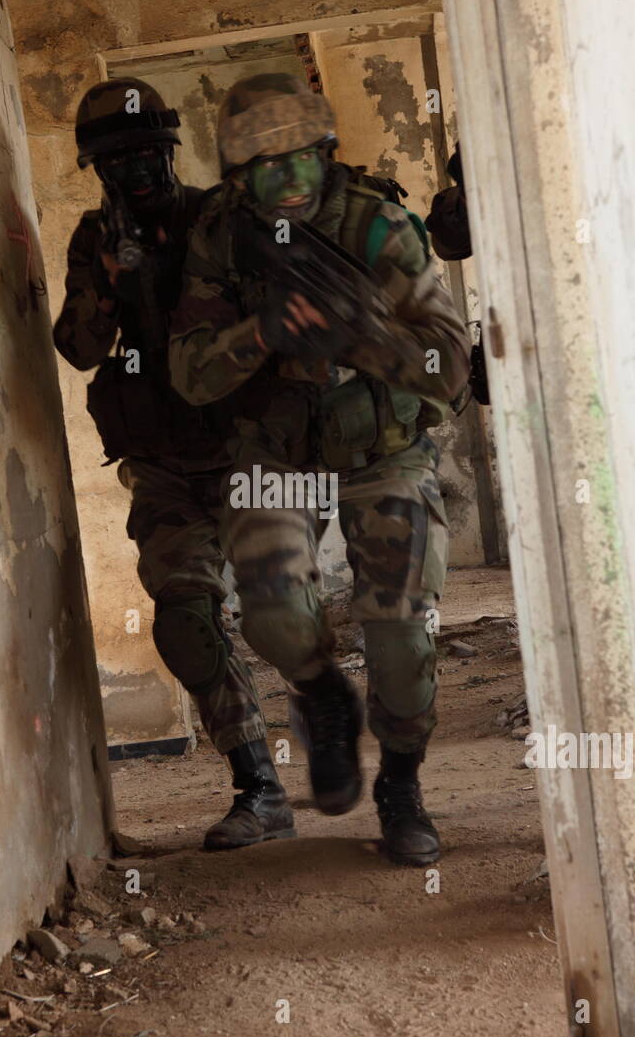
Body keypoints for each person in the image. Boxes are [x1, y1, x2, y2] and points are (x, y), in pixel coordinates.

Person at [169, 73, 471, 865]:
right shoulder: (222, 237)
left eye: (304, 163)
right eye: (269, 172)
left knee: (403, 643)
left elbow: (446, 370)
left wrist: (358, 338)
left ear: (329, 156)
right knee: (273, 617)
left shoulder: (378, 227)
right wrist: (262, 334)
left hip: (383, 453)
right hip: (277, 455)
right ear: (240, 178)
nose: (291, 185)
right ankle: (322, 695)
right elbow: (190, 374)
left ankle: (401, 785)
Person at [53, 78, 294, 852]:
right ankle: (259, 787)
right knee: (185, 620)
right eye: (119, 160)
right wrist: (113, 291)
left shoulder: (220, 219)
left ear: (171, 148)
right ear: (98, 169)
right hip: (164, 463)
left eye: (149, 153)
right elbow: (78, 349)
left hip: (247, 450)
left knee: (287, 618)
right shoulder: (95, 240)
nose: (138, 172)